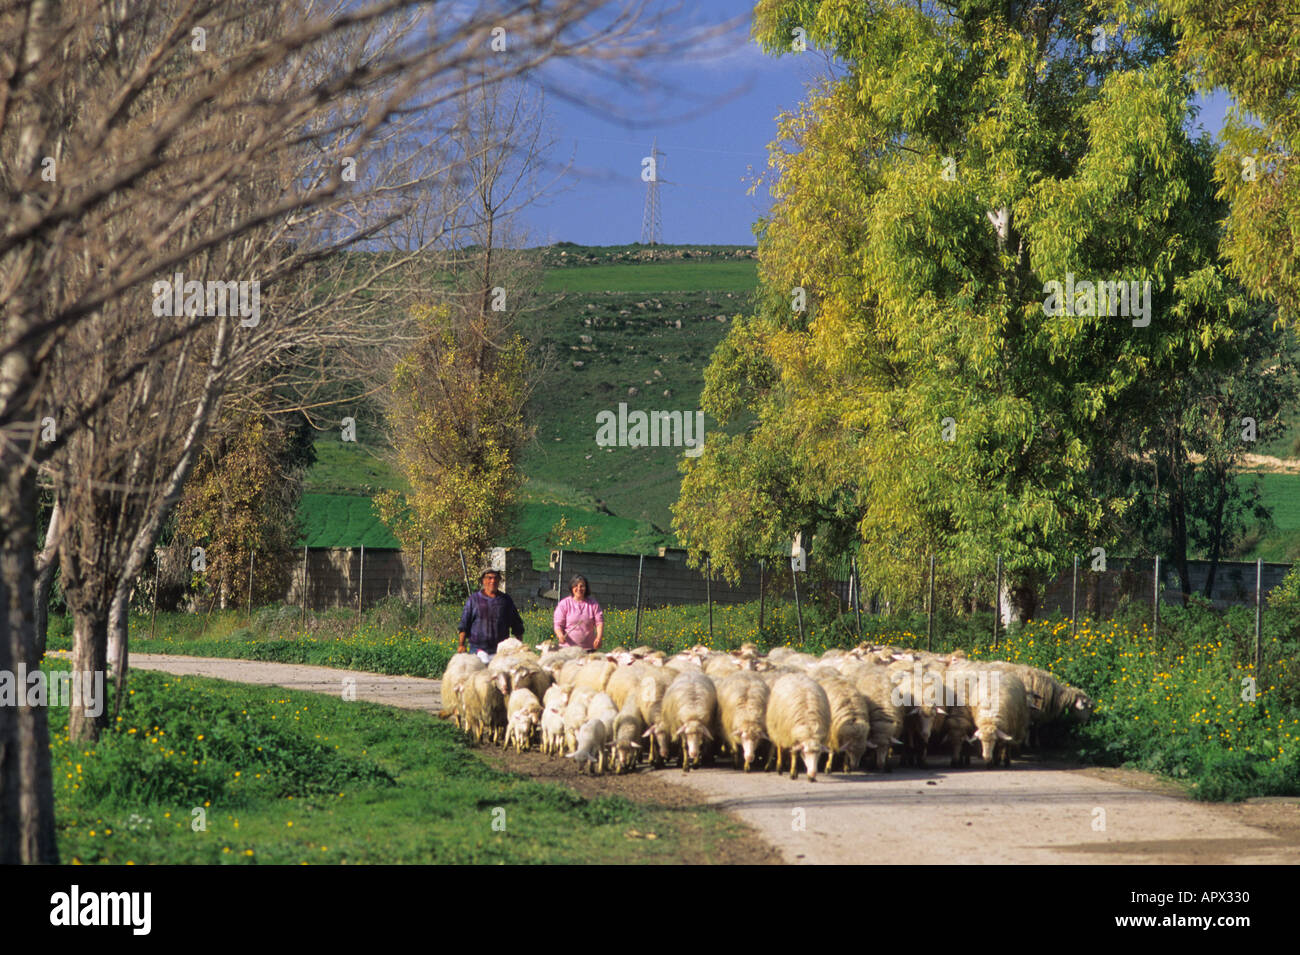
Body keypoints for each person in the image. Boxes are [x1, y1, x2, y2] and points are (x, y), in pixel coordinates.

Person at [457, 568, 524, 662]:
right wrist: (461, 645)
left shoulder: (505, 600)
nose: (493, 581)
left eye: (496, 578)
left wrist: (519, 647)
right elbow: (464, 625)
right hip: (478, 649)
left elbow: (517, 626)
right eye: (489, 578)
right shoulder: (474, 600)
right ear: (483, 580)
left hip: (500, 651)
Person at [552, 574, 604, 651]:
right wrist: (560, 636)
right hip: (568, 650)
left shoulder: (593, 604)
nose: (579, 588)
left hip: (588, 649)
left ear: (586, 588)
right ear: (572, 588)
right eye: (576, 586)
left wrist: (598, 638)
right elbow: (558, 625)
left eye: (582, 586)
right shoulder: (564, 604)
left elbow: (599, 622)